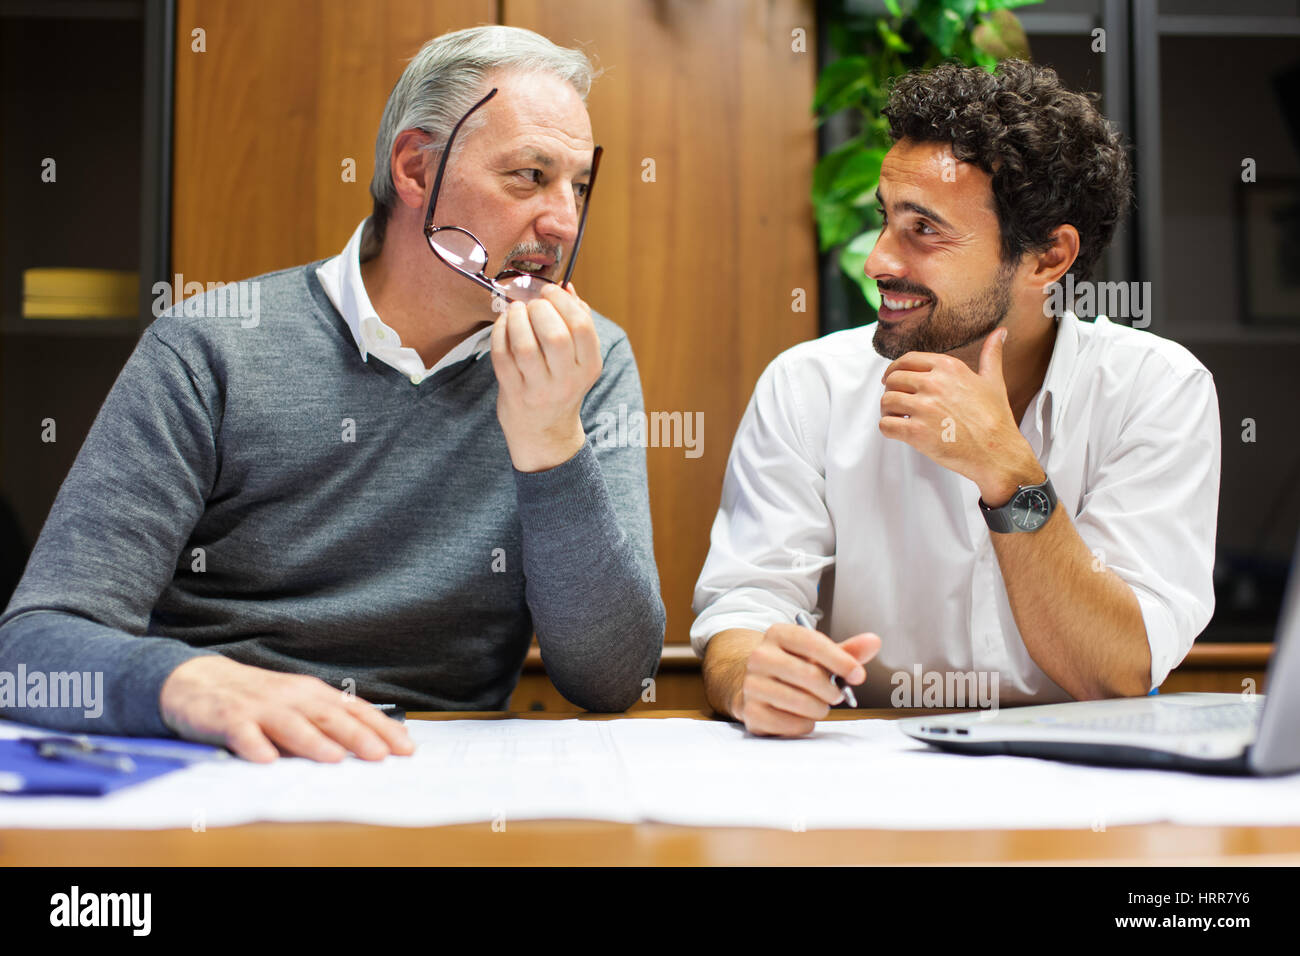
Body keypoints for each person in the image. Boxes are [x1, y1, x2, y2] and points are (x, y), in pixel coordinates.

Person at [0, 26, 665, 761]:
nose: (564, 221)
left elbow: (611, 678)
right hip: (224, 760)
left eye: (578, 185)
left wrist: (550, 442)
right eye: (529, 176)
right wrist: (192, 684)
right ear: (416, 170)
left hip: (440, 775)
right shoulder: (211, 346)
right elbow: (30, 653)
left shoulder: (586, 362)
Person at [692, 60, 1219, 736]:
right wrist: (749, 677)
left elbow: (1116, 670)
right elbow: (746, 606)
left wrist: (1009, 473)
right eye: (886, 220)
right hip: (866, 784)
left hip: (1081, 799)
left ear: (1048, 258)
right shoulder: (809, 387)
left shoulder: (1157, 391)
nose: (878, 260)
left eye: (925, 229)